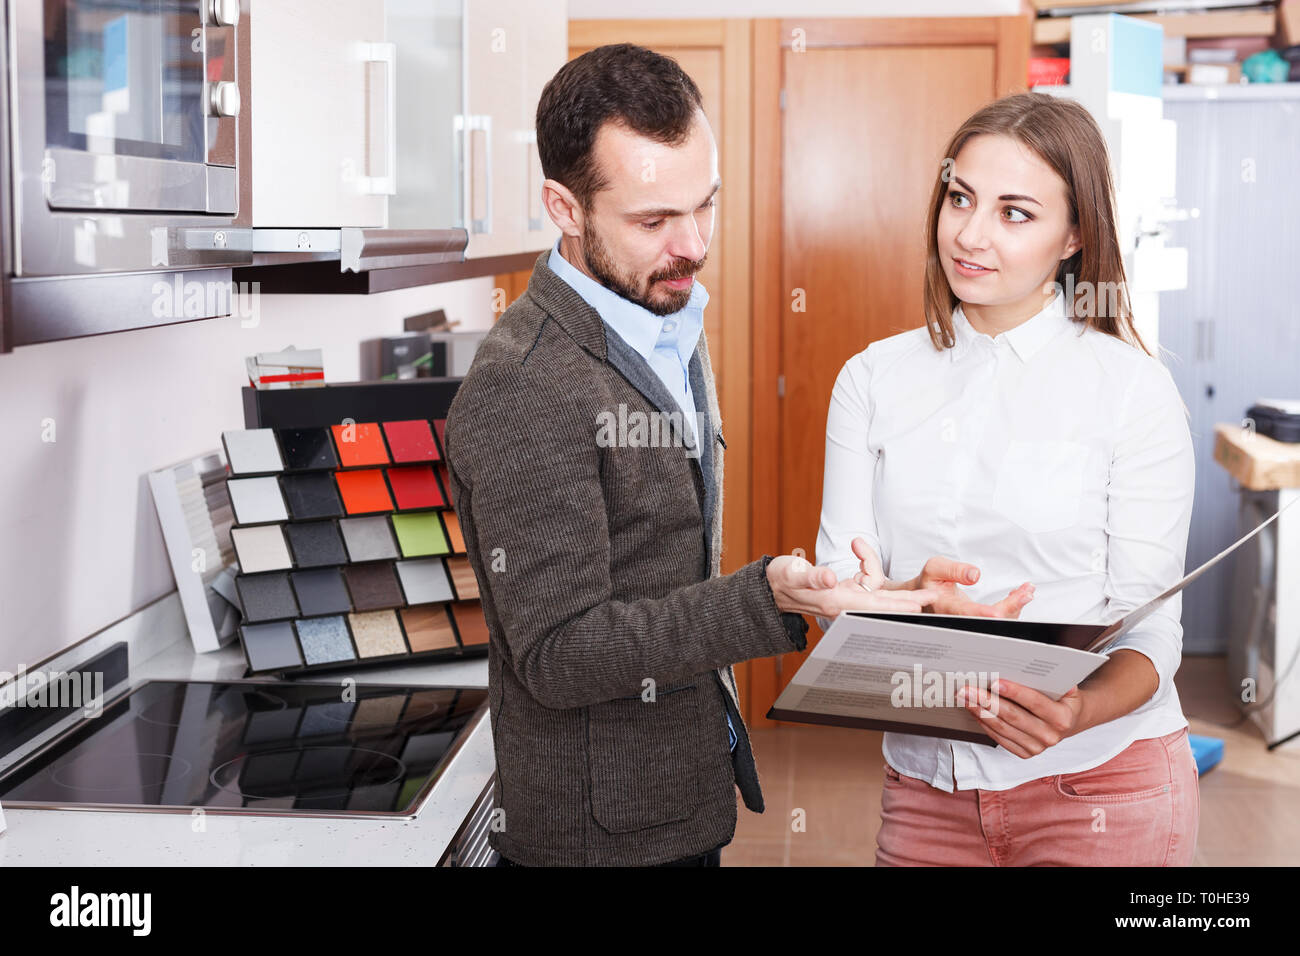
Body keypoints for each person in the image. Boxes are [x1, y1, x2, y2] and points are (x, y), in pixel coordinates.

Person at [443, 43, 936, 868]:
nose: (694, 244)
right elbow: (559, 656)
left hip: (668, 799)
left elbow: (654, 560)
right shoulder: (525, 387)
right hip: (599, 840)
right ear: (564, 208)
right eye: (653, 220)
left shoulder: (662, 315)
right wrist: (769, 592)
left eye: (704, 205)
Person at [815, 92, 1199, 866]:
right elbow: (836, 597)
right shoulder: (872, 379)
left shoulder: (1132, 388)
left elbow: (1150, 624)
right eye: (960, 198)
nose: (970, 233)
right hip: (928, 792)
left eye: (1015, 212)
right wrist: (897, 603)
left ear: (1074, 235)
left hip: (1099, 789)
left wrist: (1078, 707)